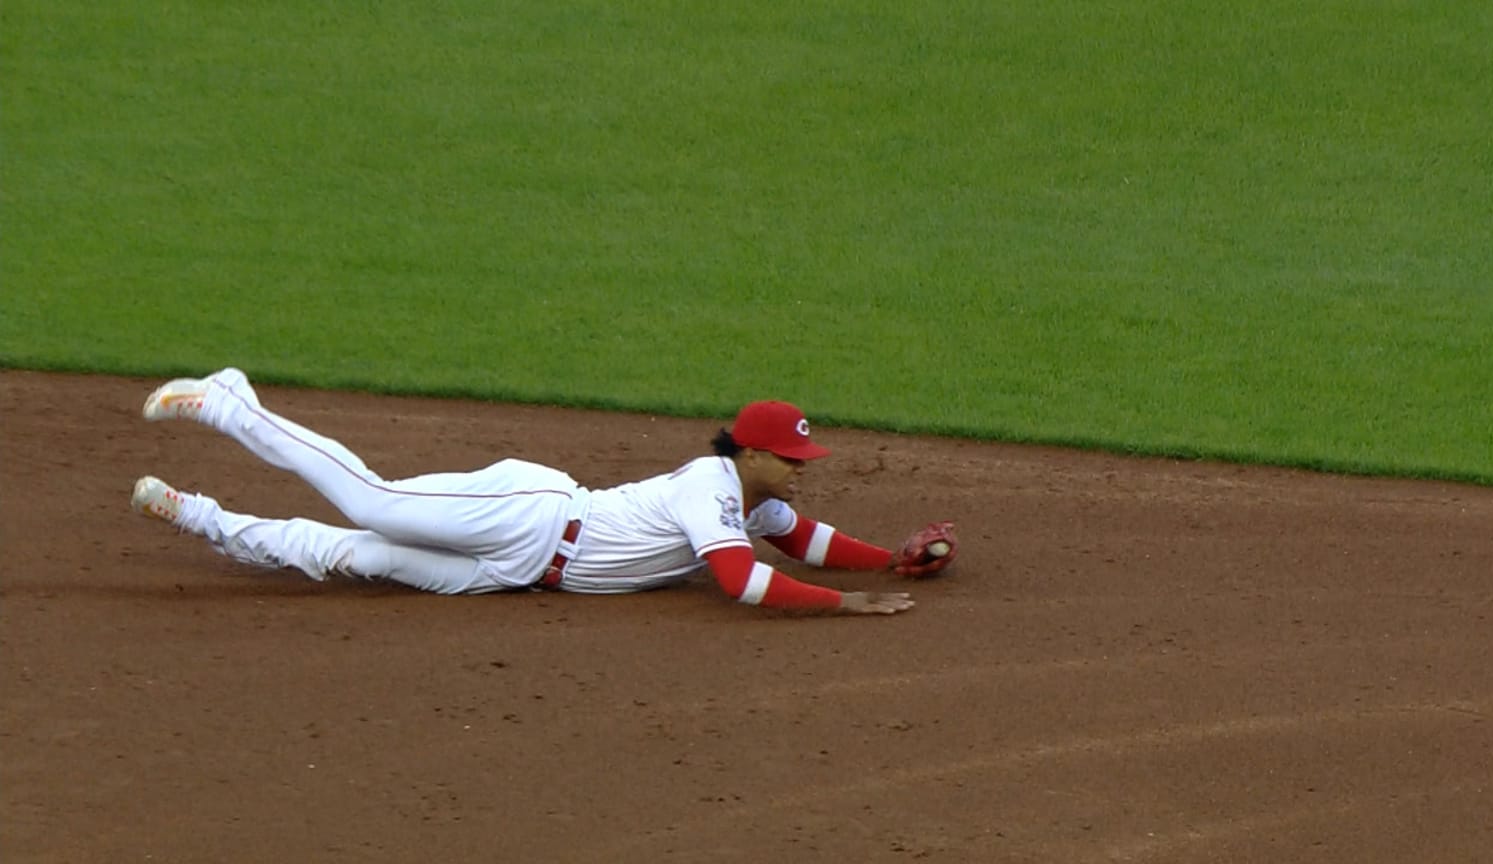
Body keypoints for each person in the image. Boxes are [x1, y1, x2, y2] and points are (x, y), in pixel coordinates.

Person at [130, 368, 958, 615]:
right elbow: (742, 583)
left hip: (517, 572)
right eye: (788, 459)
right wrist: (844, 608)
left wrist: (887, 561)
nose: (798, 469)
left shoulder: (752, 502)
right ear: (747, 451)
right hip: (532, 513)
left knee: (354, 556)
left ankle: (194, 514)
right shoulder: (708, 489)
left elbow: (803, 539)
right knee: (371, 500)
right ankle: (231, 402)